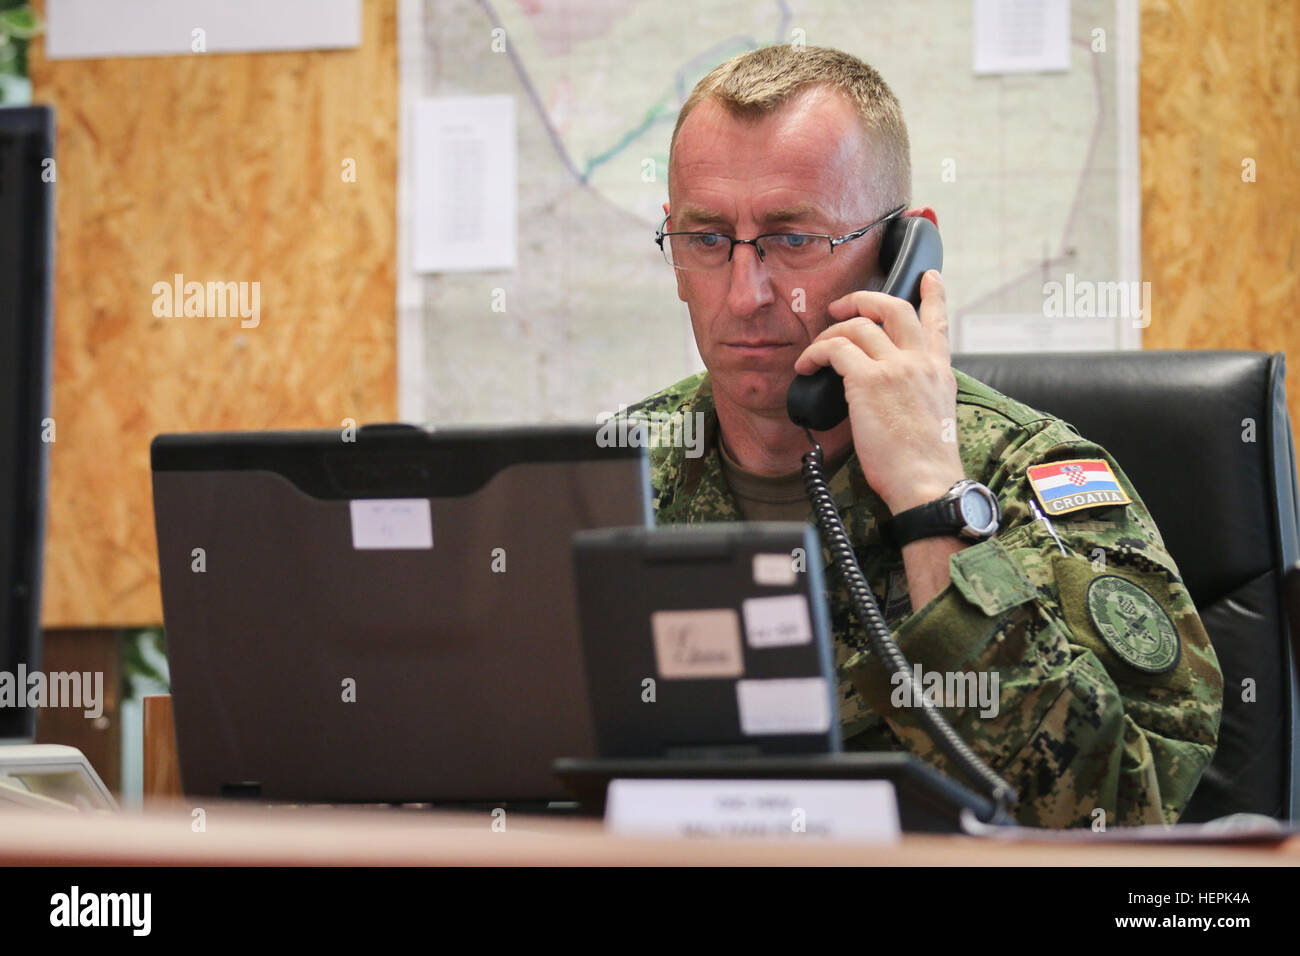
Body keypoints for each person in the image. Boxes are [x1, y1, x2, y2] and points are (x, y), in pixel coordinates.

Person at [624, 45, 1222, 828]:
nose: (745, 294)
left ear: (903, 253)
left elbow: (1123, 815)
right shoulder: (614, 472)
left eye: (794, 239)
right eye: (707, 239)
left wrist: (932, 505)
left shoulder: (1031, 480)